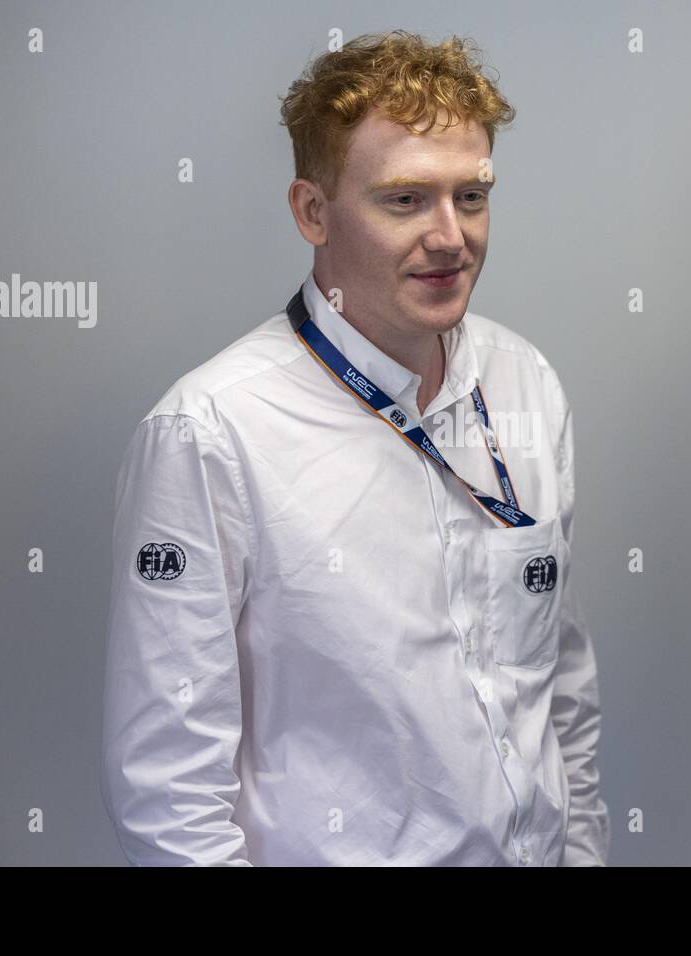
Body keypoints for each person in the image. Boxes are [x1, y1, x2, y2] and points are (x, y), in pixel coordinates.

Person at [100, 29, 610, 866]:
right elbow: (168, 794)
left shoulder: (527, 384)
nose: (451, 237)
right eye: (405, 200)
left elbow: (560, 689)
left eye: (471, 197)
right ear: (312, 211)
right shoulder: (210, 433)